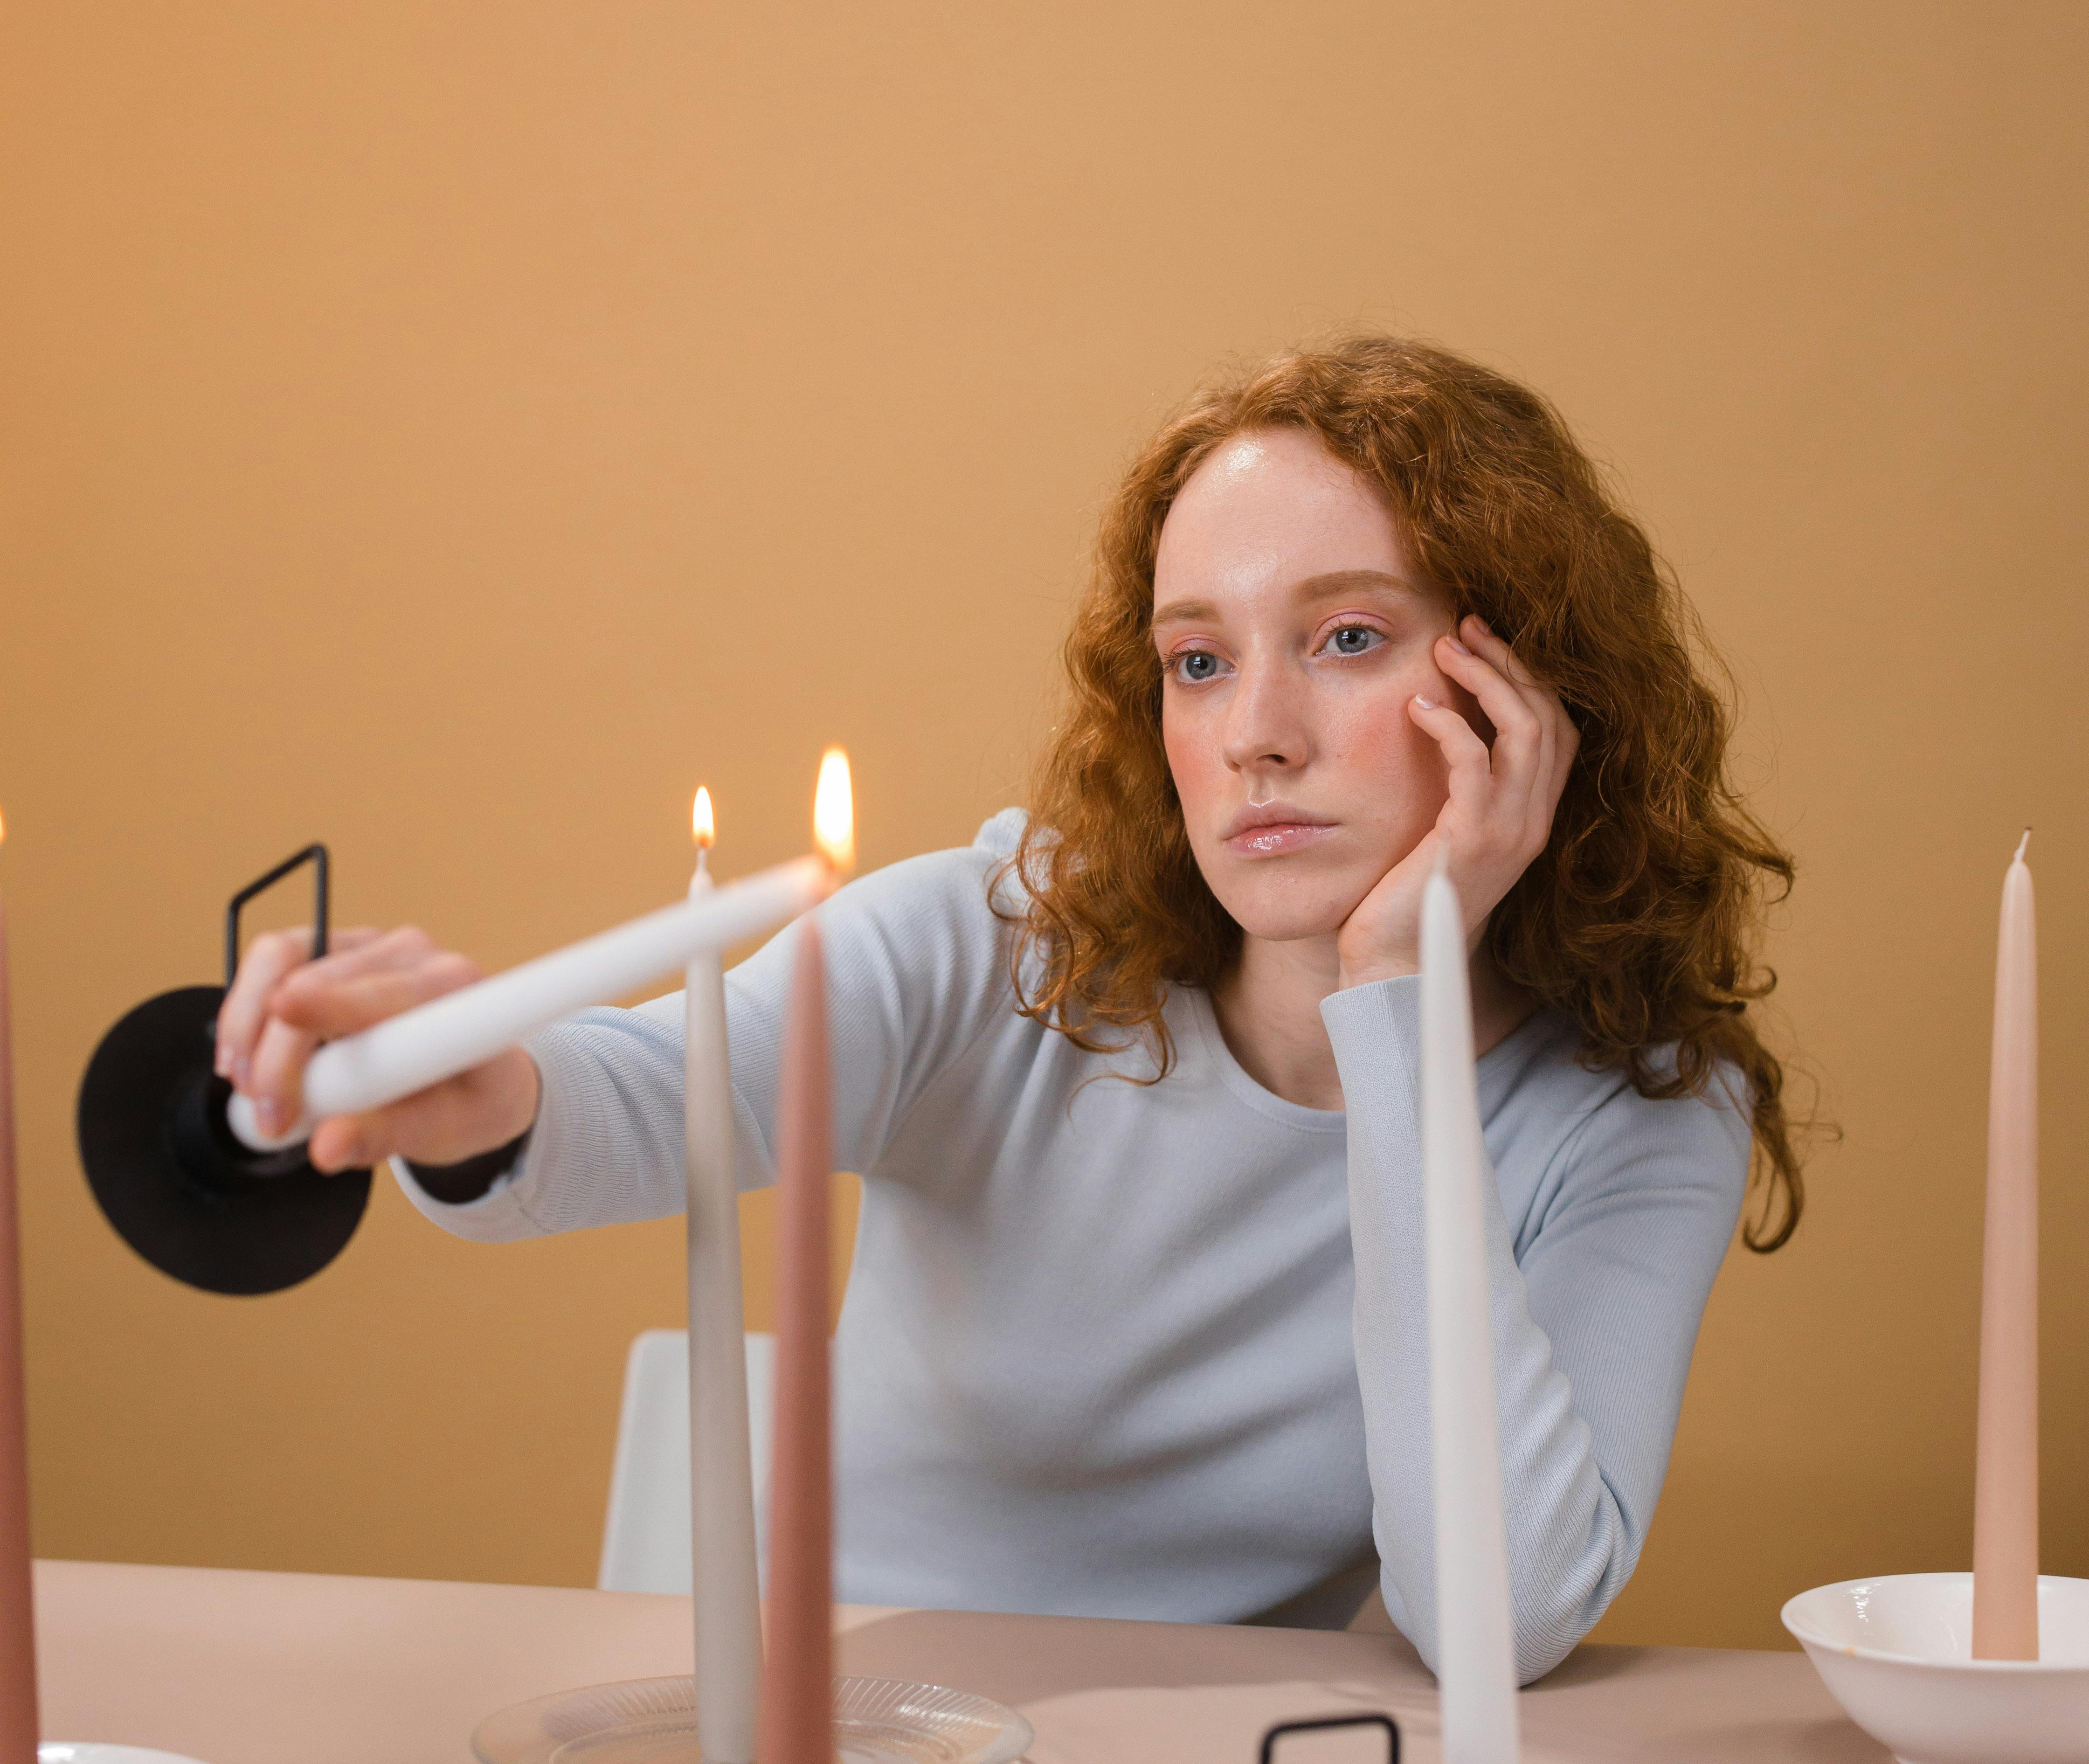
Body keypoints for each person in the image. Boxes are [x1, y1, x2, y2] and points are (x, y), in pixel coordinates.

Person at [217, 337, 1800, 1677]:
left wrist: (1397, 993)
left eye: (1347, 638)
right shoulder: (1003, 947)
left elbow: (1500, 1618)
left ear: (1526, 701)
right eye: (1196, 661)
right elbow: (634, 1100)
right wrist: (480, 1092)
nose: (1256, 733)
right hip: (833, 1755)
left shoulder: (1640, 1111)